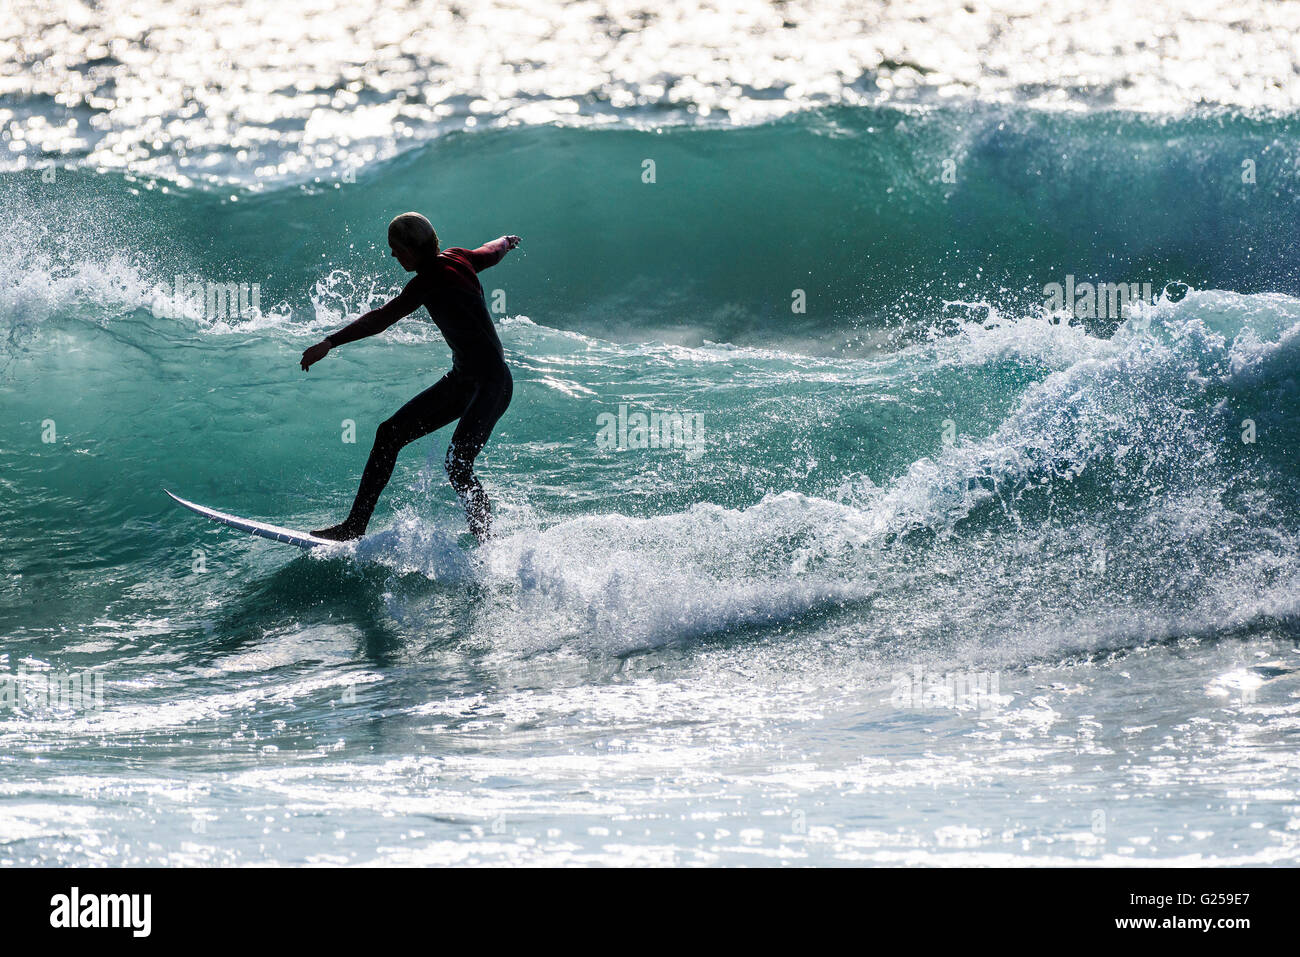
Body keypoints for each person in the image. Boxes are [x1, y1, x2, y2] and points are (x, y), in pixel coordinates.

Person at [300, 212, 520, 543]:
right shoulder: (458, 257)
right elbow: (489, 252)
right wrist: (505, 242)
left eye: (396, 248)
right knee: (390, 434)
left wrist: (330, 342)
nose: (392, 255)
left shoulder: (429, 280)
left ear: (412, 248)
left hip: (491, 384)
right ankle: (355, 526)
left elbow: (381, 318)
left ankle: (487, 544)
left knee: (458, 464)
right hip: (464, 381)